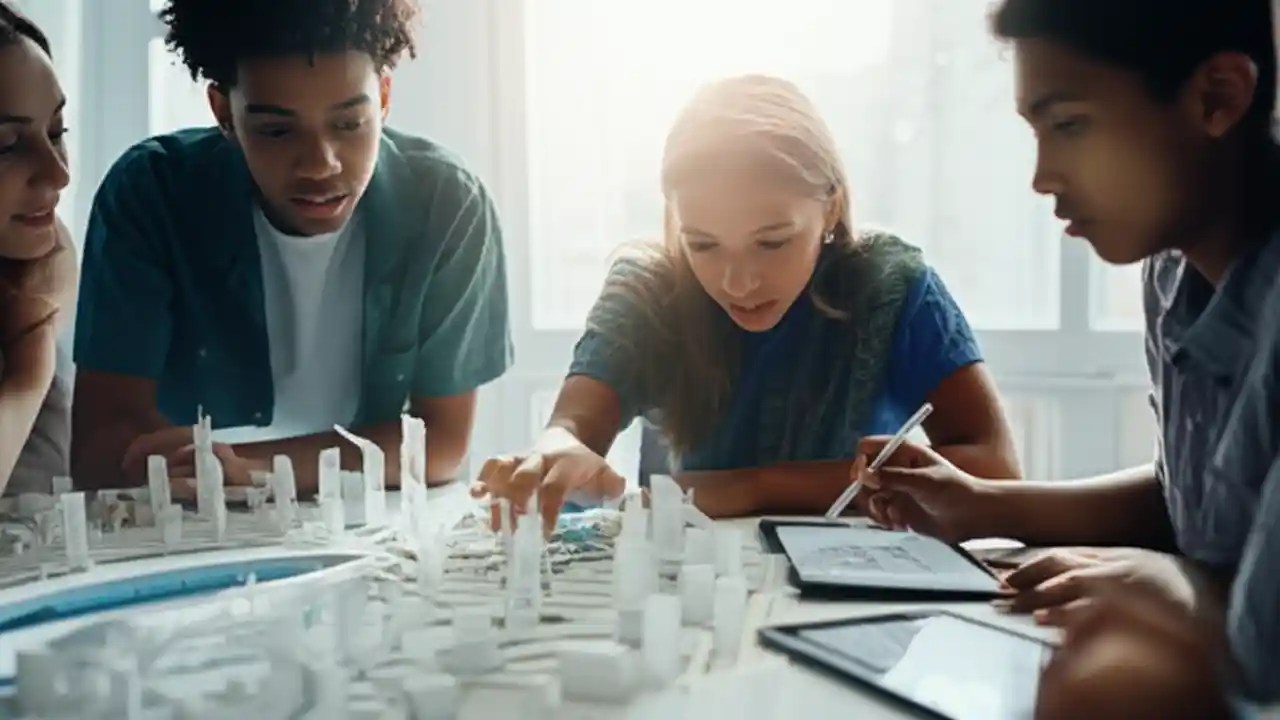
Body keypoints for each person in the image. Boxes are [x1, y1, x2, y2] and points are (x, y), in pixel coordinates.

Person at [853, 0, 1280, 703]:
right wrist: (981, 504)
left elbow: (1258, 657)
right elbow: (1194, 498)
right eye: (1036, 132)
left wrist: (1185, 593)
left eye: (1071, 125)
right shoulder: (1174, 272)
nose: (1043, 175)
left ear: (1217, 97)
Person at [474, 74, 1020, 531]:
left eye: (772, 242)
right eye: (703, 244)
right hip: (685, 597)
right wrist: (553, 450)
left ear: (829, 208)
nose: (738, 282)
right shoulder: (649, 289)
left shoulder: (893, 286)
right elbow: (574, 425)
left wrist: (754, 487)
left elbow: (994, 469)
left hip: (852, 592)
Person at [71, 0, 512, 494]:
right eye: (277, 130)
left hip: (366, 523)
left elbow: (440, 445)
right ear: (224, 112)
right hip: (189, 524)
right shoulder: (151, 194)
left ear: (384, 98)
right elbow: (99, 449)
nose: (320, 164)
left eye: (349, 124)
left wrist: (248, 469)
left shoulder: (446, 204)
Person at [0, 1, 75, 496]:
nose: (59, 174)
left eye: (56, 133)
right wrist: (30, 369)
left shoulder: (35, 259)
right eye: (7, 144)